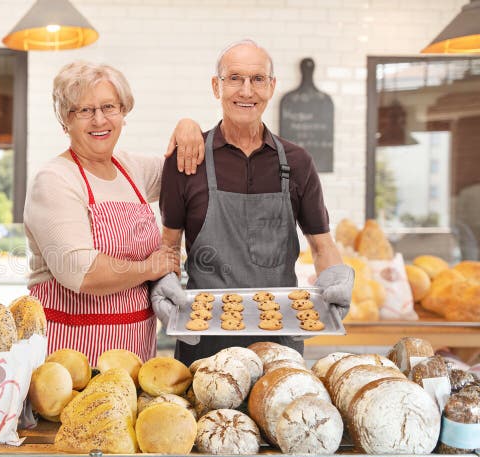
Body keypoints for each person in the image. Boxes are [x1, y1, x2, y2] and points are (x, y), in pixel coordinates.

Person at [151, 40, 354, 366]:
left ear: (271, 86)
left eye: (257, 79)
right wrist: (165, 281)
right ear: (216, 86)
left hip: (280, 342)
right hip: (204, 342)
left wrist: (335, 278)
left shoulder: (298, 163)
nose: (246, 91)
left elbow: (321, 245)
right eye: (234, 78)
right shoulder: (189, 159)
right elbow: (169, 246)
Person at [24, 61, 203, 365]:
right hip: (69, 354)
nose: (99, 120)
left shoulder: (132, 169)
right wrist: (150, 267)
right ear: (65, 120)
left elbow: (188, 172)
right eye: (84, 110)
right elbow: (81, 271)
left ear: (123, 112)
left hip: (134, 350)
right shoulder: (55, 179)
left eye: (109, 107)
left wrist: (189, 126)